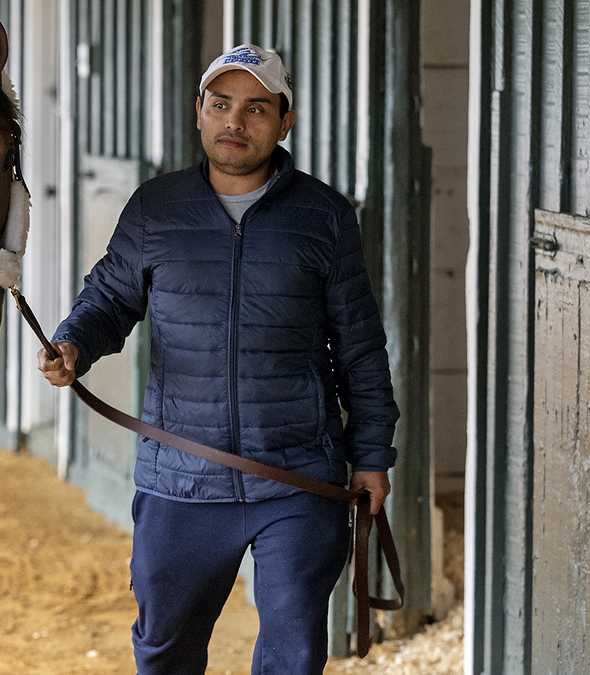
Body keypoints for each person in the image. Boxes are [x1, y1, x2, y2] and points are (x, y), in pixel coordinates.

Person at [37, 44, 400, 675]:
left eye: (256, 108)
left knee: (293, 654)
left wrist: (371, 456)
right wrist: (73, 343)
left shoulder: (325, 218)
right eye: (221, 104)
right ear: (199, 114)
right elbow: (109, 298)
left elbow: (361, 347)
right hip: (182, 474)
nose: (235, 121)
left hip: (297, 477)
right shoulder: (155, 209)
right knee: (165, 651)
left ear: (285, 122)